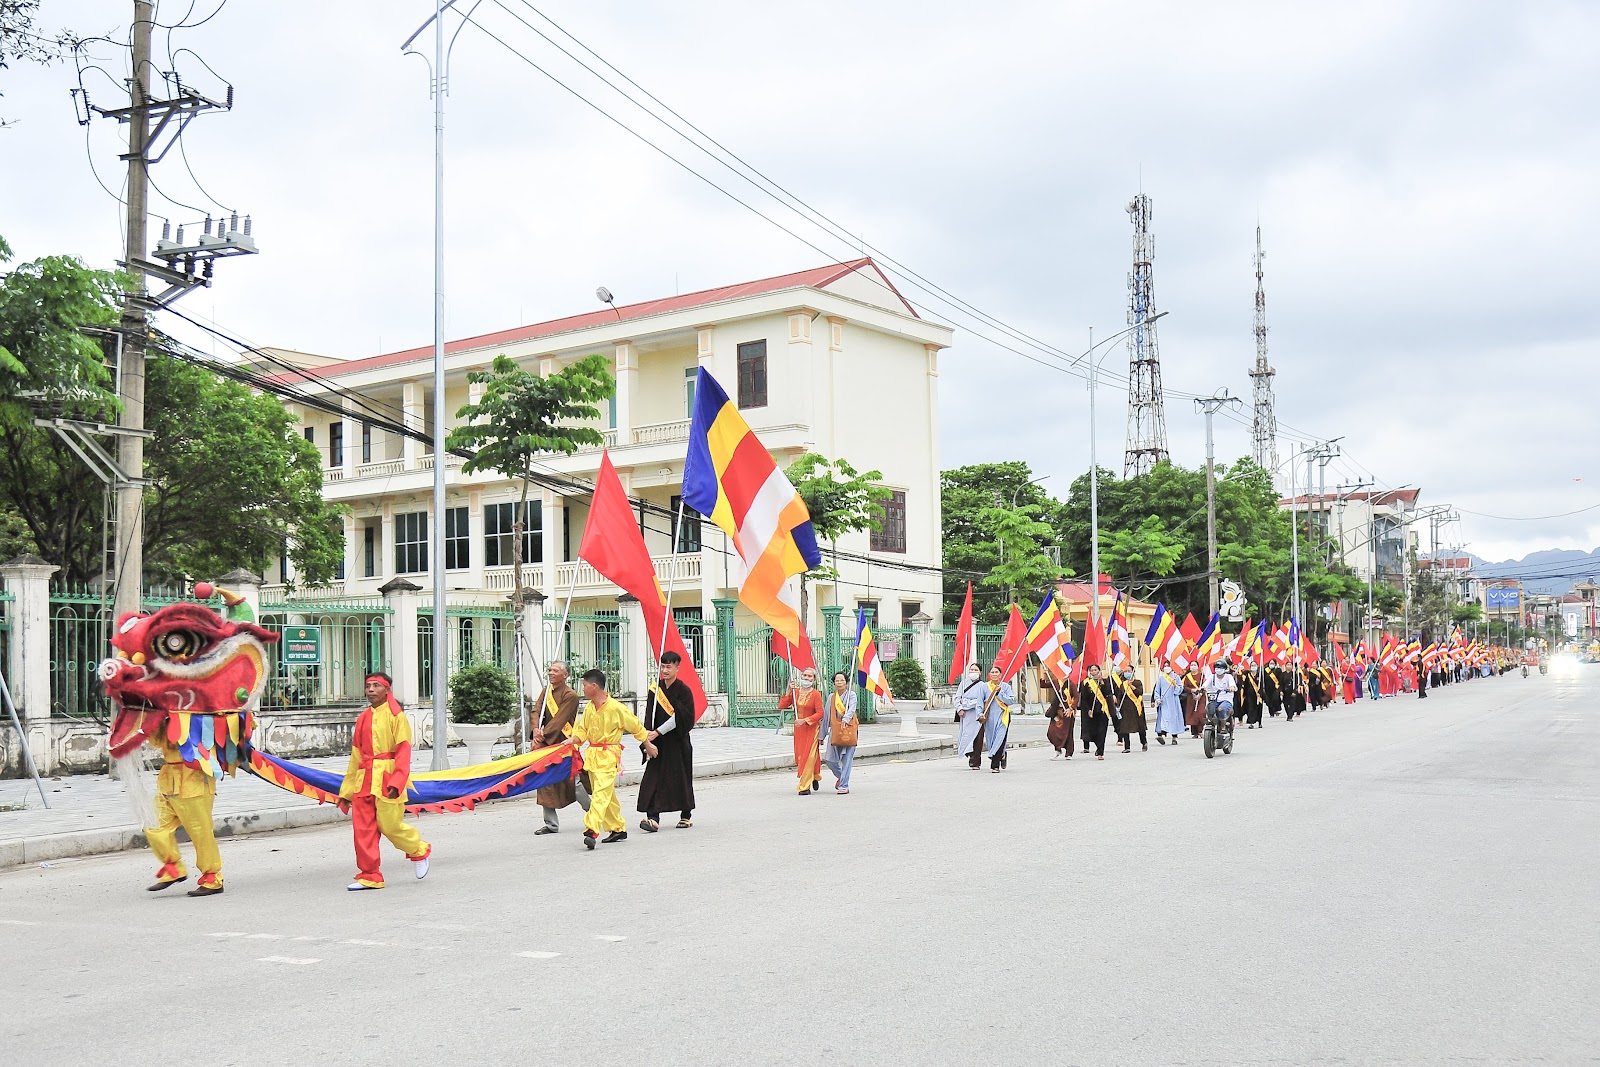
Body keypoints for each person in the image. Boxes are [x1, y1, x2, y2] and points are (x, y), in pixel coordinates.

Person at [339, 673, 432, 891]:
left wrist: (397, 782)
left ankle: (418, 849)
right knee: (363, 830)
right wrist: (346, 791)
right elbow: (356, 756)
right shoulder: (363, 718)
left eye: (376, 686)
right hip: (364, 780)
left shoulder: (396, 717)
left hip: (387, 779)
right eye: (368, 686)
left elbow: (403, 751)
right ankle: (370, 876)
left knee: (390, 826)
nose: (370, 689)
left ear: (387, 690)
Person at [571, 669, 656, 850]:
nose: (583, 689)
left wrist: (647, 744)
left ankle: (592, 829)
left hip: (608, 756)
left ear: (594, 686)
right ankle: (618, 828)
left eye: (584, 685)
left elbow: (635, 726)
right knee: (606, 795)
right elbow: (582, 730)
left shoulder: (617, 708)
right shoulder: (589, 707)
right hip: (593, 756)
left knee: (600, 795)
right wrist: (573, 740)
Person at [638, 651, 696, 831]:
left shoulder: (684, 691)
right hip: (658, 744)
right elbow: (649, 714)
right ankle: (653, 818)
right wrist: (647, 738)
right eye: (662, 666)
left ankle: (685, 815)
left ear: (677, 668)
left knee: (681, 778)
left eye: (668, 667)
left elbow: (680, 718)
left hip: (677, 742)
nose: (664, 670)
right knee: (653, 779)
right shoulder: (655, 690)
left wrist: (657, 732)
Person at [532, 660, 586, 836]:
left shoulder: (571, 696)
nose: (551, 673)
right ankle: (551, 824)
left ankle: (596, 813)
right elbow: (536, 711)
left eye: (555, 670)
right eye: (550, 670)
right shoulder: (546, 691)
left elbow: (559, 721)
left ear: (565, 675)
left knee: (575, 783)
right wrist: (535, 729)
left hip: (563, 743)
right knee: (544, 782)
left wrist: (542, 735)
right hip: (546, 743)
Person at [778, 667, 825, 794]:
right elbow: (782, 705)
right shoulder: (796, 692)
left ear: (814, 680)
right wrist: (789, 690)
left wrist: (805, 720)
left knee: (809, 756)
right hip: (799, 730)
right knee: (800, 756)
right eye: (805, 675)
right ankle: (814, 775)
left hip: (811, 729)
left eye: (810, 676)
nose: (806, 678)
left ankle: (804, 786)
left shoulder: (816, 694)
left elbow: (820, 713)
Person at [822, 671, 859, 792]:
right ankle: (841, 776)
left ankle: (844, 785)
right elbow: (826, 717)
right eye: (837, 681)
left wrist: (845, 719)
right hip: (835, 731)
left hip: (849, 730)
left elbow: (852, 709)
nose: (839, 682)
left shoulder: (851, 695)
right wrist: (821, 736)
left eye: (842, 680)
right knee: (830, 759)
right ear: (834, 683)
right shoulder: (831, 697)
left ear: (846, 682)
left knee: (847, 759)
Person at [955, 664, 989, 770]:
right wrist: (960, 708)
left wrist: (968, 703)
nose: (973, 671)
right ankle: (968, 753)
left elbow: (982, 700)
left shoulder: (983, 685)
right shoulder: (963, 683)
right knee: (966, 735)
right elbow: (957, 698)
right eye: (971, 669)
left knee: (978, 738)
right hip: (965, 715)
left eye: (976, 670)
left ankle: (975, 761)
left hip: (977, 714)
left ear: (980, 672)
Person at [981, 665, 1014, 772]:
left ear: (1000, 675)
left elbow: (1011, 701)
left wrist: (1000, 693)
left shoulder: (1005, 687)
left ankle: (995, 765)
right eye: (992, 672)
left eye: (996, 672)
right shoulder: (985, 687)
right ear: (989, 674)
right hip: (989, 717)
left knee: (1000, 738)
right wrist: (979, 714)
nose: (994, 674)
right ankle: (1002, 754)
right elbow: (979, 702)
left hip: (1003, 716)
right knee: (991, 740)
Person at [1077, 664, 1114, 760]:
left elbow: (1108, 693)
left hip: (1102, 710)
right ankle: (1098, 746)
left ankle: (1101, 752)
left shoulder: (1104, 681)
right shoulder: (1085, 683)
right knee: (1093, 732)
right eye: (1092, 670)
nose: (1094, 672)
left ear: (1099, 671)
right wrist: (1088, 710)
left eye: (1095, 670)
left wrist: (1101, 682)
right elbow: (1084, 699)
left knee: (1102, 732)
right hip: (1092, 712)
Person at [1043, 669, 1076, 758]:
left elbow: (1077, 697)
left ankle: (1069, 753)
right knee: (1052, 732)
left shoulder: (1071, 684)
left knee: (1067, 733)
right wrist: (1045, 675)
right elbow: (1043, 685)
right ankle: (1058, 748)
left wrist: (1071, 708)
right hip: (1057, 711)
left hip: (1067, 712)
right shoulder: (1056, 682)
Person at [1116, 667, 1147, 752]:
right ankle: (1127, 747)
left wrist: (1131, 686)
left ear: (1133, 672)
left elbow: (1139, 692)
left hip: (1136, 707)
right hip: (1125, 708)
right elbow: (1119, 696)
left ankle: (1144, 742)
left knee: (1140, 727)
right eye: (1125, 671)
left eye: (1129, 671)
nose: (1127, 672)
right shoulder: (1123, 684)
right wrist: (1118, 705)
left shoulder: (1137, 682)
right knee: (1125, 728)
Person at [1152, 663, 1184, 745]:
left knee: (1173, 718)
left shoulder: (1176, 677)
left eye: (1168, 666)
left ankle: (1174, 737)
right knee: (1163, 718)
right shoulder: (1161, 678)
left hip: (1173, 701)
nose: (1166, 667)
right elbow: (1157, 690)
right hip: (1164, 702)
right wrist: (1157, 698)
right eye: (1165, 666)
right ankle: (1161, 735)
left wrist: (1175, 685)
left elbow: (1180, 689)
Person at [1206, 662, 1238, 732]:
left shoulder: (1228, 677)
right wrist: (1201, 689)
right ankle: (1212, 721)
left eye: (1221, 668)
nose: (1218, 669)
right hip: (1215, 699)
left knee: (1221, 709)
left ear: (1224, 669)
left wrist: (1231, 688)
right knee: (1209, 708)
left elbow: (1233, 685)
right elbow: (1205, 685)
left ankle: (1223, 724)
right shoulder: (1212, 677)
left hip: (1226, 699)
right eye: (1217, 668)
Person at [1181, 665, 1208, 738]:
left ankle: (1200, 731)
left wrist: (1200, 694)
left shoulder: (1201, 675)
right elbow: (1184, 687)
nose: (1193, 666)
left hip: (1201, 697)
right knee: (1193, 714)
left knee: (1200, 713)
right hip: (1191, 697)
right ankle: (1195, 732)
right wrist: (1191, 690)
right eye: (1192, 665)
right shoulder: (1187, 676)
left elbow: (1205, 686)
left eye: (1195, 665)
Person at [1238, 663, 1264, 729]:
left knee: (1259, 708)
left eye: (1255, 665)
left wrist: (1260, 692)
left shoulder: (1259, 674)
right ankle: (1251, 723)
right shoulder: (1248, 674)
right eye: (1252, 665)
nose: (1253, 667)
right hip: (1249, 695)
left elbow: (1262, 685)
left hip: (1258, 695)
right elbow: (1244, 682)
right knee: (1251, 708)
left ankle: (1259, 722)